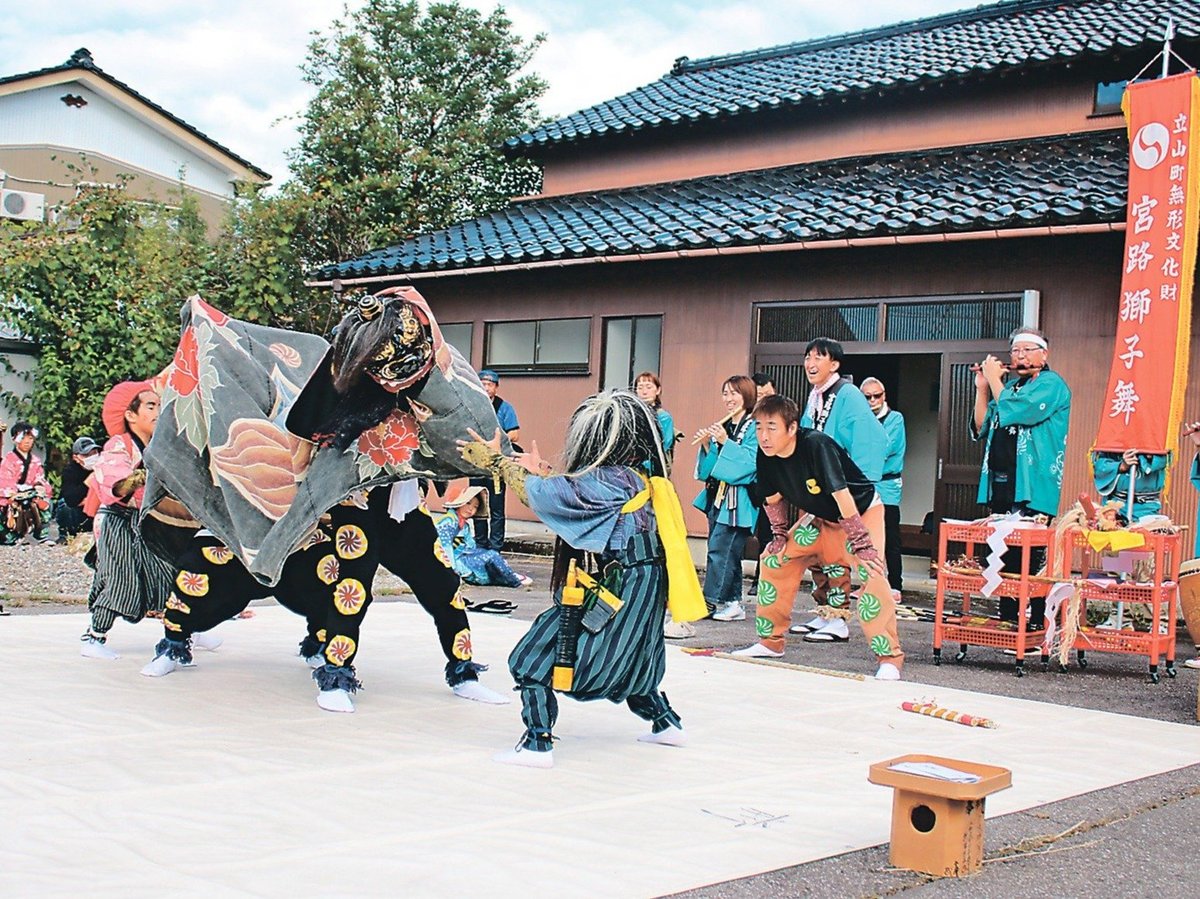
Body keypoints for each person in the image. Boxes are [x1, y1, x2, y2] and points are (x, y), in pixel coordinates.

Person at [460, 389, 706, 768]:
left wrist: (499, 462)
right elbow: (564, 490)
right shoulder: (635, 477)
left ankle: (537, 744)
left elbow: (545, 494)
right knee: (635, 658)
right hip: (644, 583)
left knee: (534, 656)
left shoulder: (609, 480)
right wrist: (529, 469)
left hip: (623, 584)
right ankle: (666, 724)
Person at [733, 395, 905, 680]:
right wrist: (778, 534)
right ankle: (770, 642)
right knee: (774, 560)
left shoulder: (816, 445)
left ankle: (890, 658)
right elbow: (772, 498)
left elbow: (842, 495)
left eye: (772, 427)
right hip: (822, 518)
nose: (764, 436)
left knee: (873, 573)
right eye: (759, 427)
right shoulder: (766, 454)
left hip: (860, 514)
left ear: (792, 427)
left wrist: (862, 544)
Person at [80, 381, 198, 660]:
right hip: (117, 522)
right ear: (130, 415)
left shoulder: (159, 444)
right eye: (150, 406)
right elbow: (115, 485)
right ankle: (94, 636)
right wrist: (142, 474)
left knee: (169, 572)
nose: (158, 411)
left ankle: (188, 628)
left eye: (159, 405)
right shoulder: (119, 445)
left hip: (148, 520)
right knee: (120, 578)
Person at [972, 327, 1071, 628]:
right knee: (1003, 556)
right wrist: (982, 388)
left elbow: (1022, 412)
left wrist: (994, 381)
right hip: (1003, 484)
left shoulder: (1052, 384)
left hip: (1034, 486)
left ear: (1044, 354)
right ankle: (1009, 621)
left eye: (1028, 350)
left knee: (1031, 557)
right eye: (1016, 350)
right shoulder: (1011, 388)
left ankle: (1034, 623)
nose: (1021, 355)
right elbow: (982, 427)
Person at [794, 339, 887, 643]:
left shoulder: (848, 394)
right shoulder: (816, 395)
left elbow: (870, 438)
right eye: (808, 357)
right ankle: (825, 613)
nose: (810, 363)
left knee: (836, 554)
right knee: (818, 552)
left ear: (834, 364)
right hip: (817, 487)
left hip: (838, 488)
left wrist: (853, 486)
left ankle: (840, 617)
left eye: (818, 357)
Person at [692, 375, 759, 621]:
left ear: (747, 396)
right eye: (725, 393)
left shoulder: (754, 426)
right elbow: (710, 469)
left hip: (738, 500)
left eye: (734, 393)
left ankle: (710, 602)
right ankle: (733, 603)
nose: (728, 399)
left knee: (720, 549)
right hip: (719, 498)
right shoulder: (728, 425)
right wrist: (709, 446)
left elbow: (751, 463)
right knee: (727, 552)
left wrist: (724, 442)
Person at [434, 485, 533, 588]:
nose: (471, 509)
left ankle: (503, 574)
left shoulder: (464, 526)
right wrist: (451, 571)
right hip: (449, 562)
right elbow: (445, 547)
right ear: (458, 504)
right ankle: (512, 578)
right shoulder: (448, 521)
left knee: (486, 555)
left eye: (475, 507)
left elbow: (471, 547)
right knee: (492, 555)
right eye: (468, 503)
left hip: (462, 557)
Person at [861, 378, 906, 594]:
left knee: (890, 537)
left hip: (887, 486)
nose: (872, 401)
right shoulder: (860, 420)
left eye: (876, 396)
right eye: (867, 397)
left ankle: (895, 584)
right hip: (865, 485)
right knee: (865, 538)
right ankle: (868, 585)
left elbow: (883, 448)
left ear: (884, 395)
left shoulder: (895, 419)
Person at [471, 369, 520, 551]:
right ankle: (480, 544)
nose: (485, 388)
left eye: (489, 384)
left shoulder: (504, 408)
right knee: (477, 505)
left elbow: (515, 434)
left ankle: (496, 547)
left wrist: (497, 439)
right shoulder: (472, 405)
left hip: (497, 465)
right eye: (482, 384)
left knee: (497, 507)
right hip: (476, 463)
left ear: (496, 388)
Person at [0, 421, 54, 544]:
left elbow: (40, 479)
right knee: (8, 507)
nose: (27, 441)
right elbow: (4, 482)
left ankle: (41, 534)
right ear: (15, 440)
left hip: (31, 493)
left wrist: (40, 488)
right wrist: (15, 492)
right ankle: (11, 536)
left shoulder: (36, 460)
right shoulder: (8, 460)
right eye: (23, 438)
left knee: (44, 502)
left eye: (30, 438)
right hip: (13, 495)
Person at [55, 436, 100, 541]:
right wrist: (88, 482)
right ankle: (66, 534)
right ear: (76, 458)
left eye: (94, 453)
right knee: (65, 505)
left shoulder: (103, 467)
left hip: (95, 509)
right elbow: (71, 500)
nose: (92, 457)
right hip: (76, 511)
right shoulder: (70, 471)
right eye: (86, 455)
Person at [634, 371, 678, 462]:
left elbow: (663, 447)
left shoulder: (663, 417)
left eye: (649, 387)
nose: (644, 392)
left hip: (653, 467)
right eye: (640, 388)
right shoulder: (632, 415)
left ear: (658, 390)